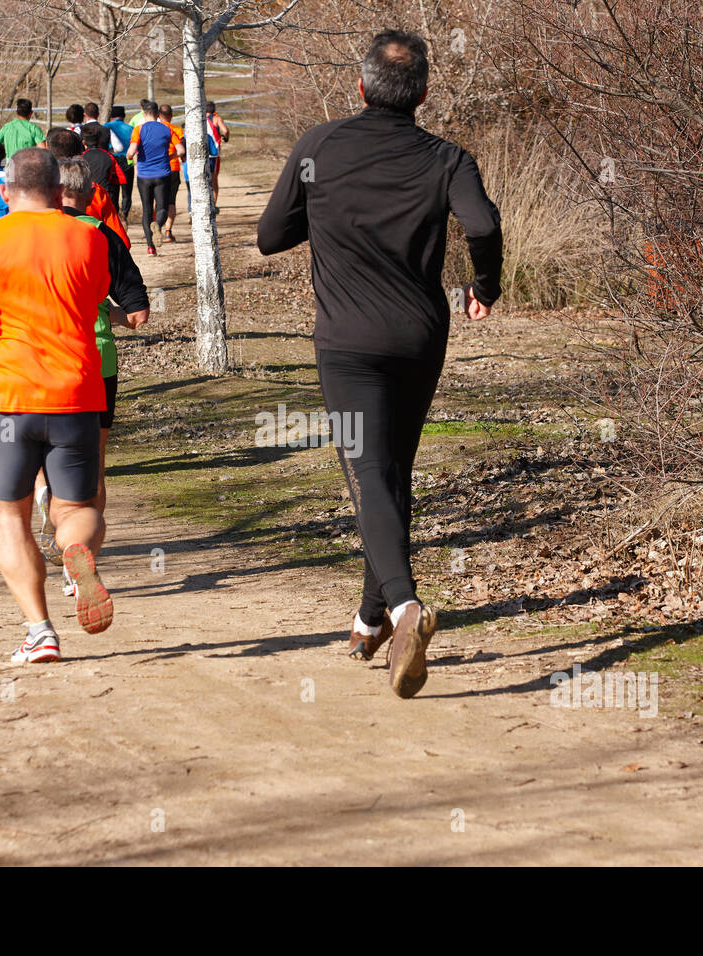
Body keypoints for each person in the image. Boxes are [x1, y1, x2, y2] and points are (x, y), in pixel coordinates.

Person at [257, 31, 503, 699]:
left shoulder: (318, 147)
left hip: (348, 341)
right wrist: (486, 284)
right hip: (420, 336)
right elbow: (481, 224)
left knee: (369, 474)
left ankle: (403, 609)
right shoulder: (448, 158)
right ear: (423, 94)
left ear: (360, 87)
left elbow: (271, 235)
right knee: (391, 473)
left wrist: (335, 210)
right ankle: (370, 617)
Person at [0, 148, 123, 662]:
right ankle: (76, 552)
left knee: (11, 520)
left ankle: (40, 631)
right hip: (78, 395)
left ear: (6, 189)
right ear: (60, 189)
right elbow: (100, 295)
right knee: (76, 510)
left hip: (9, 401)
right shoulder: (90, 237)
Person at [33, 157, 150, 583]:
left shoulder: (22, 231)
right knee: (93, 464)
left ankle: (48, 498)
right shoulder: (103, 237)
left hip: (39, 362)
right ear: (88, 195)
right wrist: (104, 311)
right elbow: (139, 315)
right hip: (95, 362)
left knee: (46, 452)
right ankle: (78, 560)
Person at [44, 127, 130, 249]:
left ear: (47, 148)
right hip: (90, 255)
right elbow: (121, 241)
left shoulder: (39, 191)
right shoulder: (95, 191)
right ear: (80, 152)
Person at [126, 101, 181, 255]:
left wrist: (129, 156)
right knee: (162, 207)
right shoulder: (167, 129)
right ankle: (158, 224)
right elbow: (181, 150)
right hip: (163, 173)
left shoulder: (139, 129)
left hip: (144, 175)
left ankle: (151, 247)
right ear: (158, 114)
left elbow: (131, 152)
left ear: (144, 114)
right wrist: (170, 156)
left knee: (147, 210)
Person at [157, 104, 185, 243]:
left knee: (158, 200)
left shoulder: (154, 129)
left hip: (157, 169)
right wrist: (172, 157)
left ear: (158, 115)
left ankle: (157, 229)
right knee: (171, 201)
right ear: (171, 115)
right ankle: (168, 232)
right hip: (173, 168)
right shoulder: (177, 129)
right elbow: (182, 149)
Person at [105, 105, 135, 220]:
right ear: (124, 116)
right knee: (127, 192)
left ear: (111, 116)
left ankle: (115, 215)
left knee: (114, 190)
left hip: (112, 161)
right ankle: (125, 215)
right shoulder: (130, 128)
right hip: (127, 161)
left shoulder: (107, 127)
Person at [79, 123, 123, 197]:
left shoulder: (80, 157)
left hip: (87, 197)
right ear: (99, 141)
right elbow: (118, 179)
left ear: (83, 142)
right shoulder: (109, 156)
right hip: (105, 195)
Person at [205, 100, 231, 205]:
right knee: (214, 179)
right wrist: (226, 137)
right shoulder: (216, 119)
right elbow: (225, 130)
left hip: (202, 154)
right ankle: (214, 204)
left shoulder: (199, 119)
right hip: (213, 153)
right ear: (214, 109)